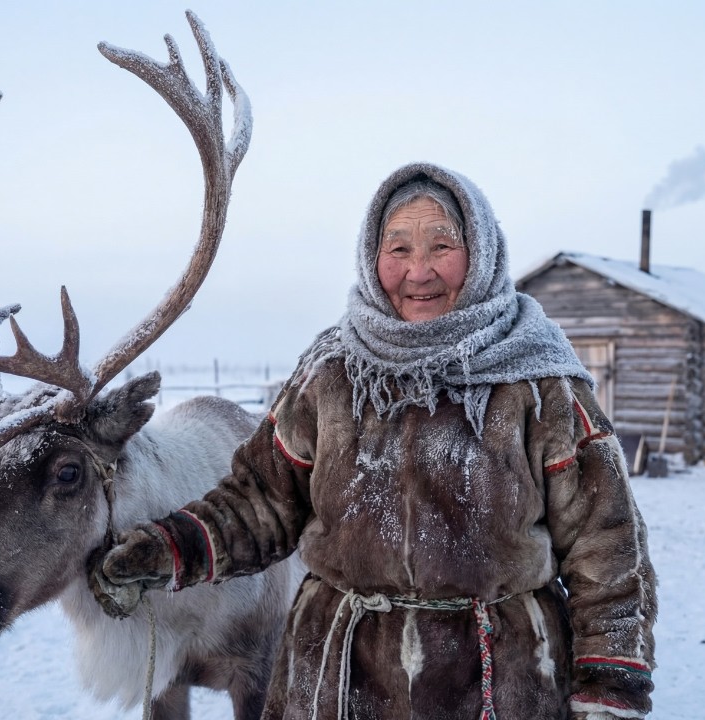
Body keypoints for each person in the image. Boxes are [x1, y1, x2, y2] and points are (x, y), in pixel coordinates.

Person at [94, 163, 657, 720]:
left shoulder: (540, 383)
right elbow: (262, 503)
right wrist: (171, 549)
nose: (419, 272)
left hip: (500, 685)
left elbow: (608, 549)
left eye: (442, 246)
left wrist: (610, 689)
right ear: (372, 255)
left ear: (481, 251)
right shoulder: (330, 374)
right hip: (336, 683)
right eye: (399, 249)